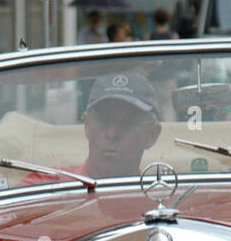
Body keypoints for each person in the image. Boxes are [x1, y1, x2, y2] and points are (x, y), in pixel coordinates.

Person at [21, 73, 161, 183]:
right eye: (103, 120)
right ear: (87, 125)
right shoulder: (45, 186)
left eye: (128, 123)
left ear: (152, 135)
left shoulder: (162, 203)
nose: (112, 133)